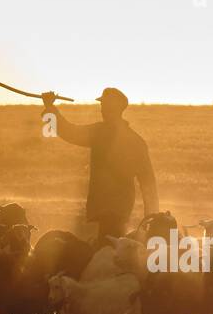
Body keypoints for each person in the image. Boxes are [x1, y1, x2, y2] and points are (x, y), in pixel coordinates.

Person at [41, 87, 159, 239]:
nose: (102, 110)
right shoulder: (135, 141)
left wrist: (50, 108)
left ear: (113, 108)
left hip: (109, 210)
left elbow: (69, 132)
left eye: (105, 106)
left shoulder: (100, 133)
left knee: (105, 251)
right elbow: (148, 183)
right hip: (117, 210)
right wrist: (151, 217)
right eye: (102, 106)